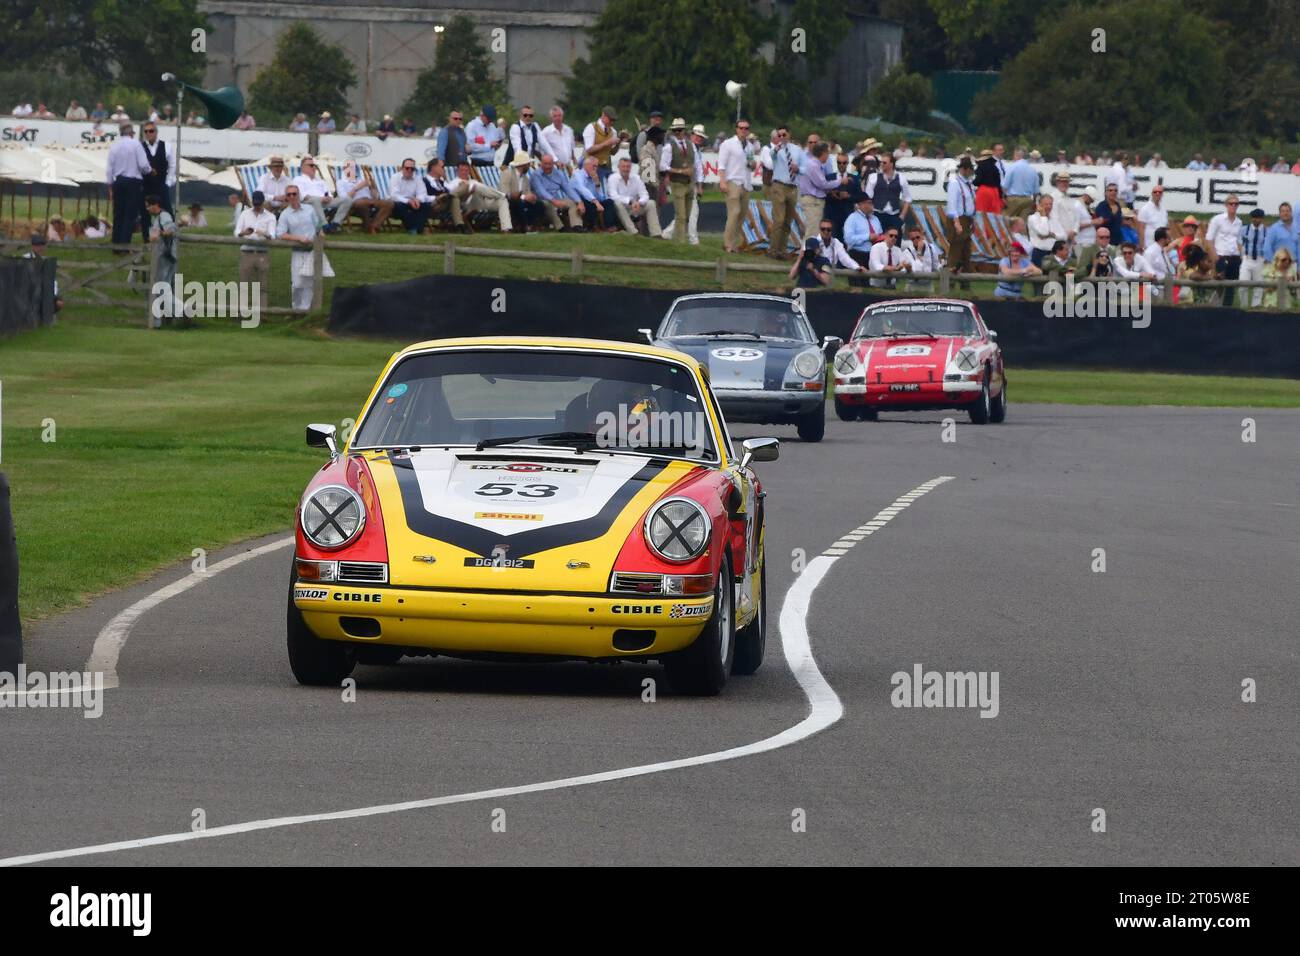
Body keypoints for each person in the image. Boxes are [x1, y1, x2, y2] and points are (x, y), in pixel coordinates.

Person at [275, 184, 330, 312]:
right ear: (286, 197)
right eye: (289, 194)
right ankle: (296, 309)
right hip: (298, 251)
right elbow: (280, 234)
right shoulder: (285, 214)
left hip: (312, 251)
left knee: (309, 283)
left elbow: (318, 226)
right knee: (297, 284)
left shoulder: (310, 209)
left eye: (294, 194)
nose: (292, 196)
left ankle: (305, 311)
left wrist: (321, 235)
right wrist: (298, 238)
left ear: (299, 195)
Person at [106, 123, 152, 246]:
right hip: (133, 182)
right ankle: (124, 245)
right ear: (131, 133)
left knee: (118, 214)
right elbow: (143, 165)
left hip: (119, 181)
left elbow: (109, 169)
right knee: (129, 214)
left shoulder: (114, 146)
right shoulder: (136, 145)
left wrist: (110, 185)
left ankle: (115, 244)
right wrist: (149, 170)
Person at [235, 189, 276, 312]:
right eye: (255, 203)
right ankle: (241, 312)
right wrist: (244, 232)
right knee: (243, 284)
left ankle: (262, 313)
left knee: (262, 285)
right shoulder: (244, 214)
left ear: (263, 202)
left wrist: (265, 234)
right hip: (247, 252)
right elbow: (237, 232)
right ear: (252, 202)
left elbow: (273, 235)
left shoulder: (271, 217)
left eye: (259, 203)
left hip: (262, 253)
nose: (257, 206)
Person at [717, 118, 753, 252]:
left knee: (742, 214)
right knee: (734, 212)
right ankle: (727, 244)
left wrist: (752, 164)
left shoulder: (750, 146)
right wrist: (722, 181)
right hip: (732, 181)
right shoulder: (728, 144)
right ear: (736, 129)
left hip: (746, 183)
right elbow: (721, 164)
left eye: (746, 128)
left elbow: (751, 164)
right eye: (741, 128)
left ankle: (734, 242)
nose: (744, 130)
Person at [660, 118, 697, 246]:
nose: (678, 132)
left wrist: (695, 177)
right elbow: (663, 166)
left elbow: (695, 162)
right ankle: (681, 242)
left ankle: (677, 238)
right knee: (680, 215)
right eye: (676, 130)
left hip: (689, 183)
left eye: (680, 130)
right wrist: (681, 171)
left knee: (686, 215)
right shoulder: (669, 147)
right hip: (677, 183)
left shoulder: (690, 144)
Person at [766, 126, 801, 259]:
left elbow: (804, 167)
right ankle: (773, 250)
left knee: (788, 221)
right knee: (778, 220)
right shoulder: (776, 150)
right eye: (779, 135)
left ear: (789, 134)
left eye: (783, 135)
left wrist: (798, 168)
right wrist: (777, 148)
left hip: (792, 186)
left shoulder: (797, 150)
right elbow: (772, 156)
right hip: (779, 185)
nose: (781, 137)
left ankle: (782, 250)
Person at [293, 156, 350, 234]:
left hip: (324, 202)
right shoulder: (298, 179)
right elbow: (303, 195)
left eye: (314, 166)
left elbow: (329, 194)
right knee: (316, 200)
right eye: (311, 165)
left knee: (347, 199)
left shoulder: (320, 181)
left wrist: (328, 198)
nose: (313, 167)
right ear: (302, 167)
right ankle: (324, 226)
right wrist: (320, 198)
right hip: (309, 202)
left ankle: (335, 224)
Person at [145, 194, 178, 325]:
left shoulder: (164, 216)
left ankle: (157, 320)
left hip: (165, 256)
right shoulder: (159, 217)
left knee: (158, 287)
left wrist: (158, 234)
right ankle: (180, 310)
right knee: (163, 288)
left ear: (155, 205)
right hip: (165, 255)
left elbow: (171, 229)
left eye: (148, 206)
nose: (147, 209)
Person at [607, 155, 660, 237]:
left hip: (635, 208)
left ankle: (656, 234)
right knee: (617, 203)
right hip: (621, 208)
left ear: (631, 167)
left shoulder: (636, 178)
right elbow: (613, 196)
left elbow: (644, 194)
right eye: (623, 166)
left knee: (651, 203)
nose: (625, 169)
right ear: (618, 167)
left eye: (628, 167)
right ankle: (634, 232)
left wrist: (639, 203)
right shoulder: (613, 178)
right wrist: (631, 201)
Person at [1206, 194, 1244, 306]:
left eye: (1236, 204)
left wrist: (1242, 256)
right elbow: (1209, 239)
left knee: (1231, 287)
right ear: (1226, 205)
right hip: (1221, 256)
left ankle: (1227, 311)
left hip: (1234, 257)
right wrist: (1215, 258)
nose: (1233, 206)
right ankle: (1212, 309)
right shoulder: (1217, 219)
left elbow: (1239, 241)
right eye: (1231, 203)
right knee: (1218, 286)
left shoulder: (1239, 222)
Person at [531, 154, 584, 231]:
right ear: (541, 164)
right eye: (545, 164)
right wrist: (554, 201)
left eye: (550, 164)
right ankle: (561, 227)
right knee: (547, 204)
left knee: (573, 202)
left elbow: (568, 189)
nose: (547, 166)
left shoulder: (558, 173)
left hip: (556, 199)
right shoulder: (536, 175)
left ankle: (577, 226)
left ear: (553, 164)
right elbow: (541, 192)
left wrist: (579, 201)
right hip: (541, 200)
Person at [863, 151, 911, 236]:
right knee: (877, 242)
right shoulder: (873, 177)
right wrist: (869, 215)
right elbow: (867, 198)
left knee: (895, 243)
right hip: (877, 215)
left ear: (891, 164)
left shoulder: (901, 178)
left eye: (884, 162)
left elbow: (907, 198)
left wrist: (902, 217)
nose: (882, 164)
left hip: (894, 216)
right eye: (881, 162)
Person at [339, 160, 392, 233]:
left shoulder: (362, 180)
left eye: (353, 167)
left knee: (389, 204)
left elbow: (375, 197)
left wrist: (373, 187)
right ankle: (369, 227)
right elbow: (345, 199)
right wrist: (357, 188)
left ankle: (374, 226)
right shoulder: (341, 182)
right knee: (361, 203)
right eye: (348, 167)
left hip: (370, 201)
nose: (351, 169)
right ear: (344, 169)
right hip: (356, 203)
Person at [945, 156, 976, 278]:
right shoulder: (955, 184)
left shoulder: (969, 185)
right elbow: (952, 205)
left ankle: (965, 282)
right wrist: (957, 223)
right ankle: (949, 281)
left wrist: (972, 221)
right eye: (970, 170)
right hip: (958, 219)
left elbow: (970, 203)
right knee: (955, 252)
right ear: (965, 169)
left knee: (966, 252)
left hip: (967, 219)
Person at [389, 158, 432, 234]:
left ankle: (417, 229)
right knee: (400, 206)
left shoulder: (418, 178)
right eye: (407, 168)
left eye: (412, 169)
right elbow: (394, 195)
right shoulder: (395, 177)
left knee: (426, 206)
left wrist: (418, 200)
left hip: (413, 202)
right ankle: (414, 228)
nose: (409, 170)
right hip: (400, 202)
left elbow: (422, 193)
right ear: (402, 168)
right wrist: (408, 201)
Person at [499, 154, 540, 233]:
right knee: (518, 203)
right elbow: (504, 192)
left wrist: (531, 197)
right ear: (523, 165)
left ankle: (531, 225)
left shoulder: (525, 178)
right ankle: (525, 226)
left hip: (521, 201)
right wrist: (524, 197)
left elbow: (528, 192)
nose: (529, 166)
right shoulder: (507, 173)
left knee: (539, 204)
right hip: (508, 201)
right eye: (528, 164)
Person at [582, 106, 620, 189]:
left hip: (606, 167)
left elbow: (613, 152)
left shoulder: (613, 131)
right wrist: (607, 143)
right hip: (592, 168)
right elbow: (589, 150)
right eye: (611, 120)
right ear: (603, 116)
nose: (612, 122)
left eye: (614, 120)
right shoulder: (591, 127)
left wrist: (619, 142)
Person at [1239, 207, 1270, 307]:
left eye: (1258, 217)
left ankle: (1255, 307)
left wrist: (1266, 259)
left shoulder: (1267, 231)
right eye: (1254, 217)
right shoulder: (1244, 229)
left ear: (1262, 218)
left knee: (1259, 286)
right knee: (1243, 284)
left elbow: (1269, 245)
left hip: (1260, 260)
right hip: (1247, 259)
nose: (1256, 219)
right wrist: (1242, 256)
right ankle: (1243, 307)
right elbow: (1239, 243)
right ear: (1251, 218)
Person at [1027, 195, 1065, 267]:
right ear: (1039, 205)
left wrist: (1053, 235)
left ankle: (1070, 279)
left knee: (1061, 274)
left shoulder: (1054, 219)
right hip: (1039, 253)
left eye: (1050, 204)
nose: (1049, 206)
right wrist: (1043, 216)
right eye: (1046, 204)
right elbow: (1044, 232)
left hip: (1053, 253)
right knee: (1040, 276)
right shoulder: (1032, 218)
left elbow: (1063, 236)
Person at [1002, 146, 1038, 221]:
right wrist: (1033, 201)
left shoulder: (1012, 167)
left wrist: (1003, 197)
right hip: (1027, 199)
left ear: (1017, 155)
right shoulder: (1033, 170)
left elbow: (1005, 186)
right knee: (1022, 224)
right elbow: (1036, 191)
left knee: (1006, 221)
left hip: (1013, 199)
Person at [973, 148, 1003, 213]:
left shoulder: (981, 166)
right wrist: (1000, 196)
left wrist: (973, 182)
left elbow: (977, 181)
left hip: (984, 191)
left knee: (982, 213)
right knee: (994, 214)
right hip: (995, 192)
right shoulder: (995, 168)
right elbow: (998, 183)